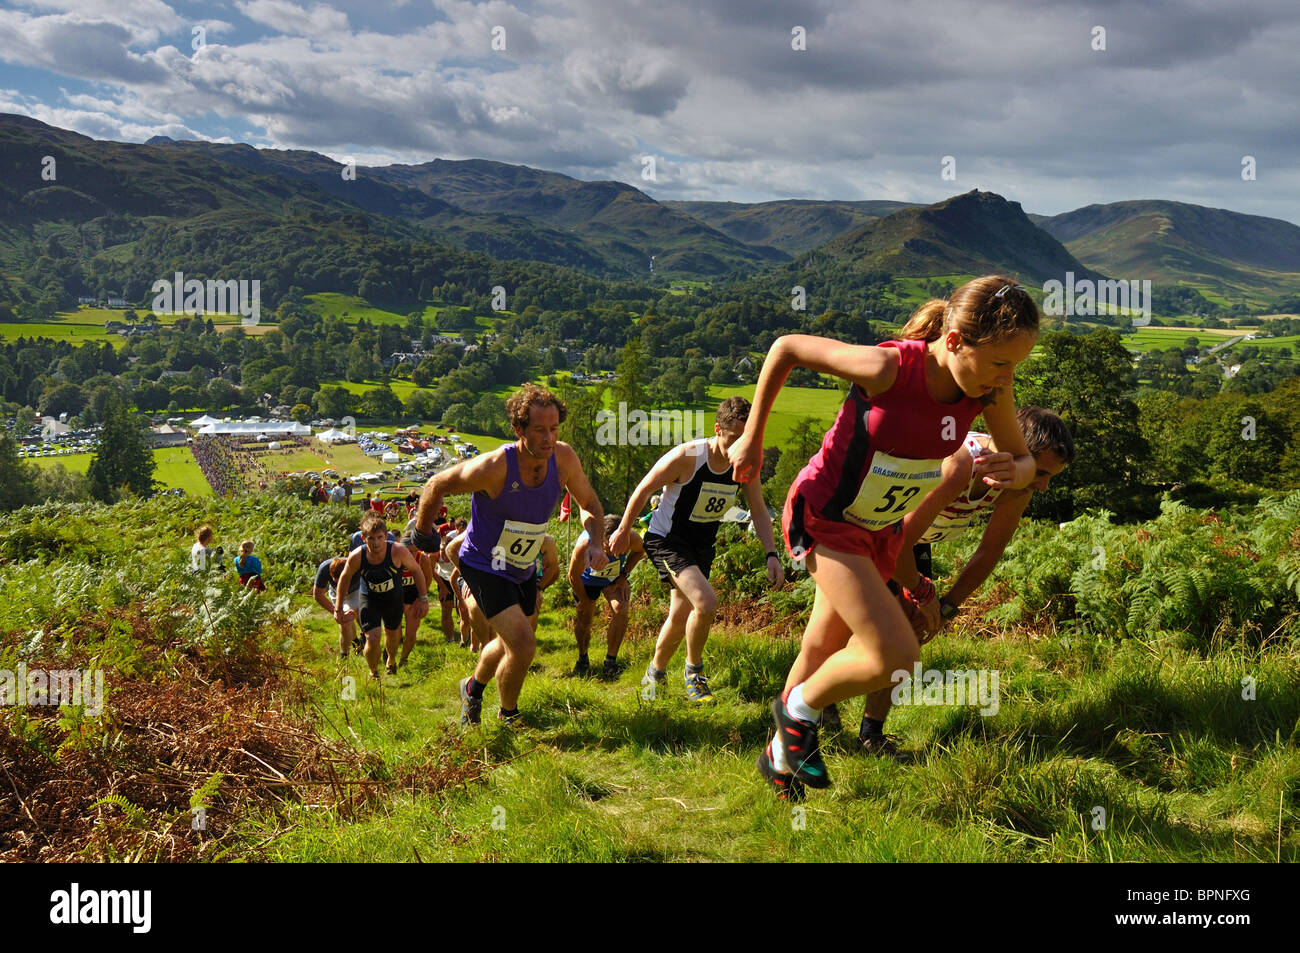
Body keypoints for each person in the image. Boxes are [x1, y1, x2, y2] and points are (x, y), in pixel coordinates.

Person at [728, 275, 1040, 800]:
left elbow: (1025, 458)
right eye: (1000, 363)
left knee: (822, 645)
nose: (1007, 378)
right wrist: (753, 439)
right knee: (896, 655)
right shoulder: (888, 367)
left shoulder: (989, 391)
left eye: (1016, 366)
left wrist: (1020, 472)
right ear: (956, 341)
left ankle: (783, 765)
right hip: (825, 516)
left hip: (880, 530)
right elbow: (786, 349)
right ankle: (798, 715)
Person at [846, 406, 1074, 756]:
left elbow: (990, 550)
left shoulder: (1018, 486)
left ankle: (869, 735)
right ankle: (811, 711)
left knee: (910, 633)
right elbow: (896, 541)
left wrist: (948, 605)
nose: (1042, 485)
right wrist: (923, 593)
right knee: (872, 633)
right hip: (867, 535)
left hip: (910, 541)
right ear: (1013, 453)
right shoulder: (959, 465)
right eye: (1041, 472)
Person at [411, 383, 606, 727]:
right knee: (522, 643)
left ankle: (472, 688)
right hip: (483, 563)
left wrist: (594, 541)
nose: (548, 438)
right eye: (539, 430)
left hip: (521, 564)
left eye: (554, 429)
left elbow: (588, 503)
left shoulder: (563, 458)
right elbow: (436, 484)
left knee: (508, 641)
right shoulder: (496, 466)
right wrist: (422, 533)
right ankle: (508, 716)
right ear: (518, 429)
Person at [609, 397, 784, 705]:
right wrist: (624, 529)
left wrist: (772, 553)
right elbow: (645, 487)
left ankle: (655, 673)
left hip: (701, 545)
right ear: (717, 430)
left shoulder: (745, 464)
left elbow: (758, 510)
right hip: (666, 539)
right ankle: (695, 675)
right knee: (705, 602)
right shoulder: (688, 457)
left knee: (681, 613)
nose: (738, 449)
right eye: (733, 439)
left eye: (747, 439)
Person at [336, 512, 430, 678]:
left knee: (392, 635)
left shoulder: (398, 551)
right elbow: (344, 578)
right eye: (371, 538)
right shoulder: (358, 555)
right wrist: (338, 608)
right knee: (372, 638)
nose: (376, 542)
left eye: (379, 537)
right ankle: (373, 672)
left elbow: (416, 570)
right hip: (369, 598)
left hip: (393, 599)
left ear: (386, 536)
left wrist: (423, 598)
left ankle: (391, 660)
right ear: (364, 538)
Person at [570, 514, 645, 679]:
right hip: (586, 580)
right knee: (585, 619)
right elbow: (573, 576)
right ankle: (583, 658)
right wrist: (583, 600)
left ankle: (610, 662)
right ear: (600, 539)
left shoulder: (630, 537)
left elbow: (640, 551)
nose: (612, 551)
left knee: (621, 611)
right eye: (607, 546)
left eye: (617, 546)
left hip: (612, 579)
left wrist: (624, 575)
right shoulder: (585, 545)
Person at [396, 532, 437, 668]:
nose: (412, 554)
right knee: (393, 629)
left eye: (415, 550)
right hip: (396, 596)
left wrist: (421, 598)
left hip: (414, 595)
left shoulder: (422, 558)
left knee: (411, 631)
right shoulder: (394, 557)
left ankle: (404, 658)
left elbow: (428, 578)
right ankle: (391, 654)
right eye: (409, 551)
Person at [313, 555, 362, 659]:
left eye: (343, 580)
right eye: (337, 580)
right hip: (335, 593)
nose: (341, 583)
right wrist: (336, 612)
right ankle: (352, 647)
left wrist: (355, 611)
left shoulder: (357, 567)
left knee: (347, 621)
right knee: (344, 621)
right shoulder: (324, 568)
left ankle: (347, 653)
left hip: (355, 591)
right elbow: (317, 594)